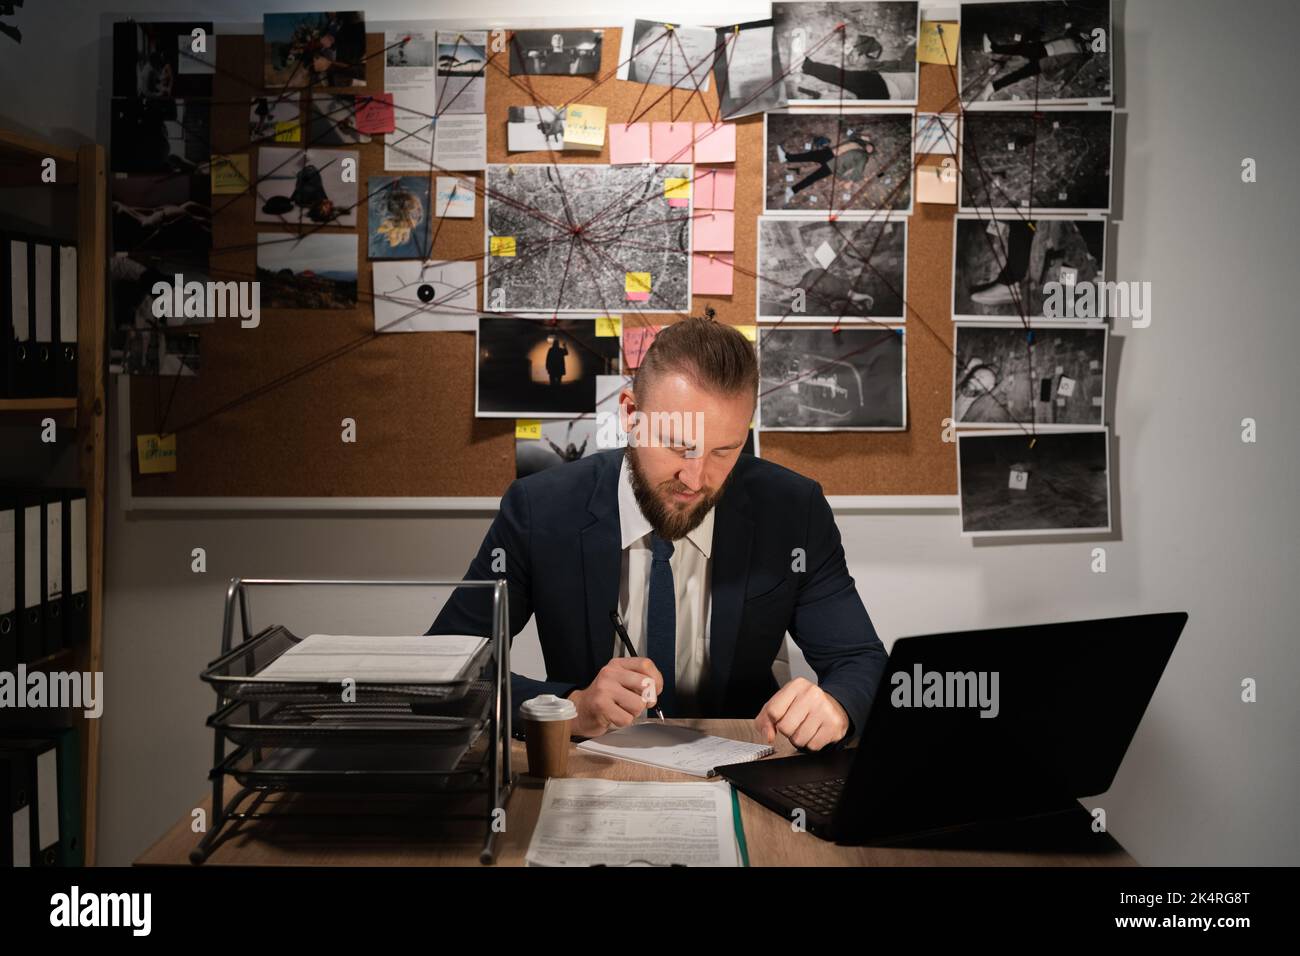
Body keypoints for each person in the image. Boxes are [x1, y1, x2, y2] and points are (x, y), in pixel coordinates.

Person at [428, 318, 887, 750]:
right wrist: (571, 707)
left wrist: (838, 706)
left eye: (724, 451)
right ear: (630, 413)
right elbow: (443, 671)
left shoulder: (793, 510)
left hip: (743, 770)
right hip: (593, 768)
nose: (695, 477)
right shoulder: (540, 509)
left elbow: (861, 661)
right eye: (675, 444)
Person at [776, 133, 874, 203]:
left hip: (834, 165)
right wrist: (863, 137)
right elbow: (852, 136)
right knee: (808, 156)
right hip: (830, 154)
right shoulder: (858, 143)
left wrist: (851, 182)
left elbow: (859, 169)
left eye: (871, 150)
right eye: (870, 146)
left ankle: (792, 191)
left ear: (870, 153)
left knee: (812, 178)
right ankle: (786, 157)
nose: (869, 148)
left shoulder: (863, 157)